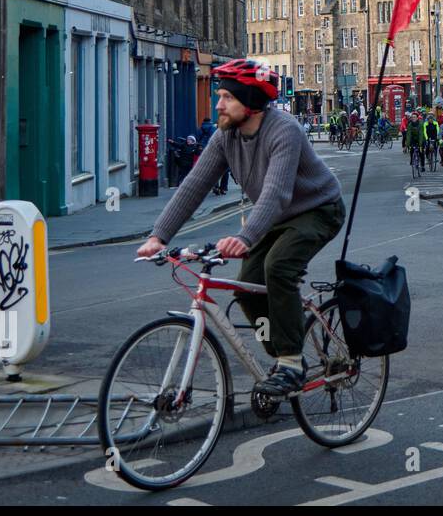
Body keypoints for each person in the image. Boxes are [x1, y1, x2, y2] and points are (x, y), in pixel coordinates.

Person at [135, 59, 345, 399]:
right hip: (275, 217)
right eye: (218, 96)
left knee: (278, 267)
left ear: (249, 101)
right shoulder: (225, 136)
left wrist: (245, 237)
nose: (218, 104)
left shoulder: (284, 130)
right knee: (247, 288)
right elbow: (194, 186)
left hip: (317, 210)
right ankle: (280, 356)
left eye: (226, 97)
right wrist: (158, 236)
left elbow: (277, 193)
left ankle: (292, 363)